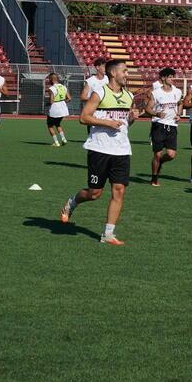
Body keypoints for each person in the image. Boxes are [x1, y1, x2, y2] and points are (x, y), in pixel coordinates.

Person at [60, 60, 140, 245]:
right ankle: (72, 202)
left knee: (119, 191)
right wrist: (107, 123)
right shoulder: (100, 92)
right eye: (124, 71)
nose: (127, 74)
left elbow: (125, 123)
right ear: (113, 73)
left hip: (121, 149)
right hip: (99, 149)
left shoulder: (129, 96)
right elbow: (84, 117)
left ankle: (108, 234)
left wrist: (131, 118)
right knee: (94, 193)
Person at [145, 68, 183, 186]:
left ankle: (159, 162)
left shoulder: (177, 91)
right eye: (170, 77)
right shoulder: (156, 93)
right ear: (163, 78)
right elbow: (148, 109)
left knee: (171, 154)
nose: (172, 79)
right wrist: (156, 113)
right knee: (157, 154)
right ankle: (154, 178)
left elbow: (180, 103)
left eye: (173, 76)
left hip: (172, 126)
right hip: (159, 125)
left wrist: (178, 114)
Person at [81, 57, 108, 134]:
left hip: (106, 112)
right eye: (103, 66)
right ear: (97, 67)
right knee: (93, 135)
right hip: (93, 113)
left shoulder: (108, 79)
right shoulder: (90, 81)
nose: (105, 68)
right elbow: (83, 97)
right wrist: (95, 99)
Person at [46, 72, 71, 147]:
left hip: (55, 109)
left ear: (51, 80)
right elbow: (69, 98)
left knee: (50, 125)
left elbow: (51, 101)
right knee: (57, 124)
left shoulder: (51, 88)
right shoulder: (64, 87)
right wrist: (62, 102)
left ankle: (56, 142)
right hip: (63, 108)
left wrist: (47, 104)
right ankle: (63, 139)